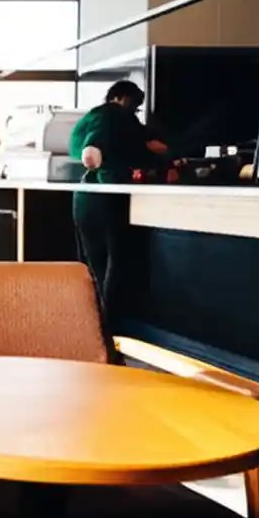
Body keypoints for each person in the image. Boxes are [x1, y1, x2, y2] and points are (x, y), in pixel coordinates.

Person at [68, 80, 170, 339]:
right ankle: (110, 327)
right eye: (135, 105)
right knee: (118, 259)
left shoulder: (91, 116)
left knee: (93, 263)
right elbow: (94, 150)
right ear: (123, 98)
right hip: (109, 194)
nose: (135, 110)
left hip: (85, 197)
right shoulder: (114, 115)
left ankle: (89, 323)